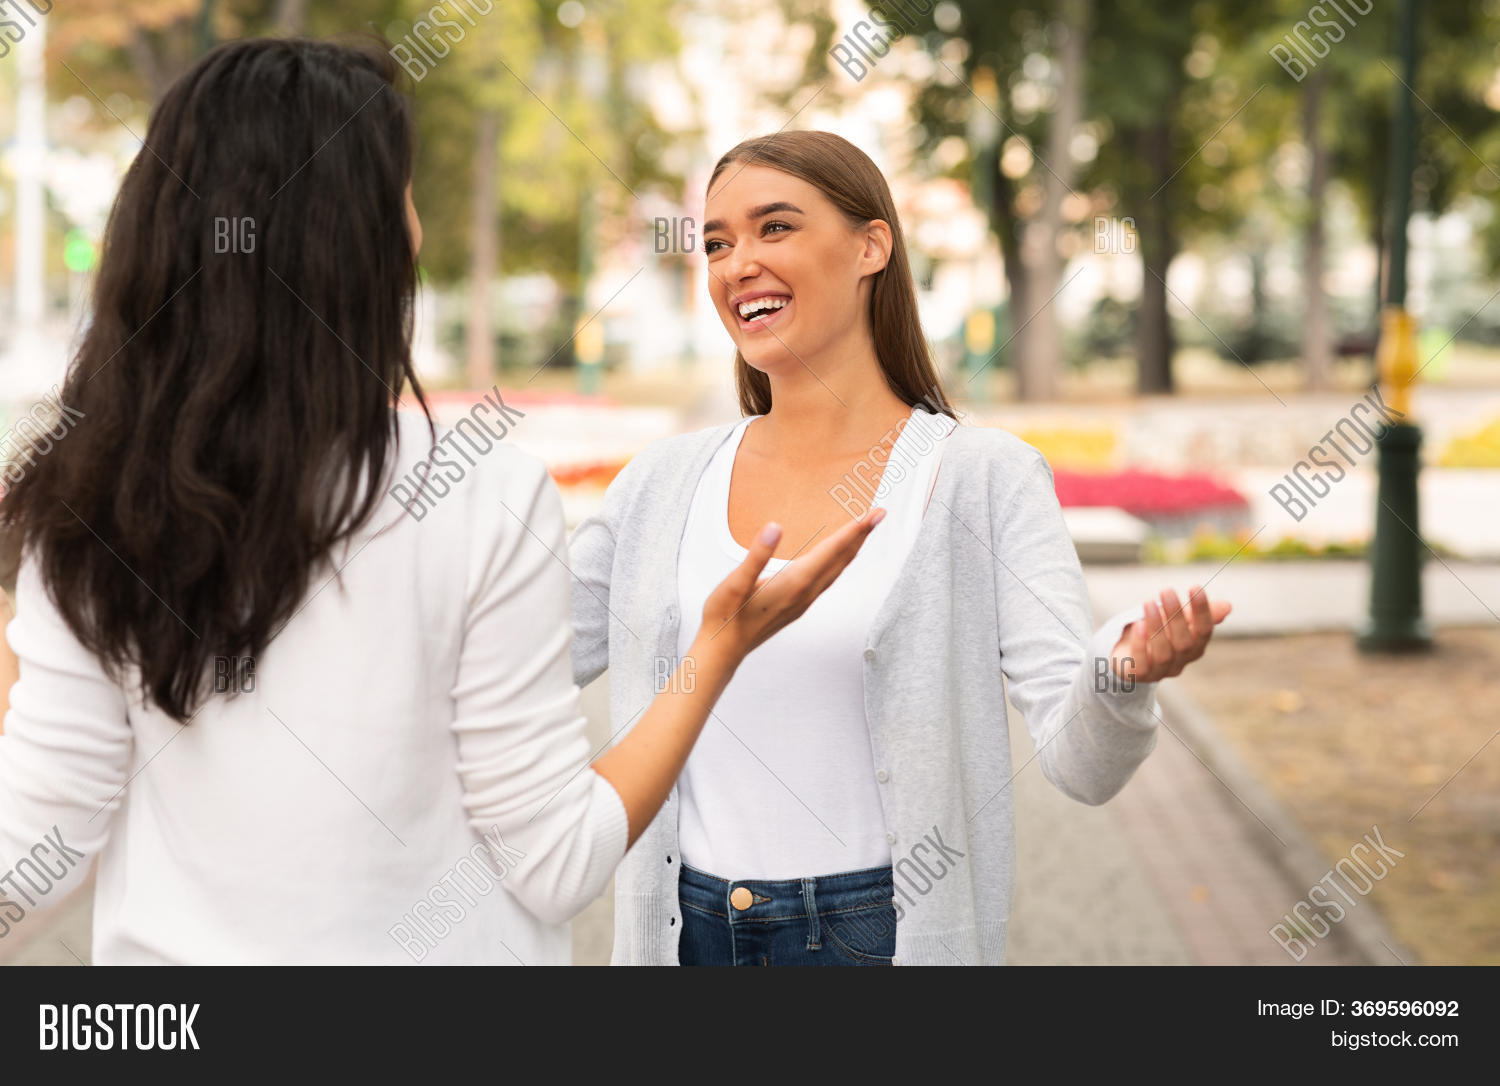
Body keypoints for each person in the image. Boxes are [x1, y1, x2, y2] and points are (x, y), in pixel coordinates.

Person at [0, 38, 879, 965]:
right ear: (359, 241)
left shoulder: (90, 503)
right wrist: (716, 650)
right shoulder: (480, 494)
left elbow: (31, 849)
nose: (416, 230)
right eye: (403, 197)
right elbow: (556, 861)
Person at [568, 130, 1233, 966]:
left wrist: (1122, 675)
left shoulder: (980, 479)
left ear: (870, 245)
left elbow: (1079, 762)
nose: (737, 264)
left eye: (775, 228)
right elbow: (510, 654)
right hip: (686, 934)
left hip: (876, 940)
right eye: (716, 242)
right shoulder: (659, 486)